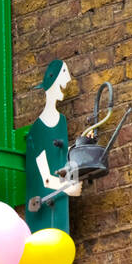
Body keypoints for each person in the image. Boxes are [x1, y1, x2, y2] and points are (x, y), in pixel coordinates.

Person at [25, 59, 82, 233]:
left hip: (59, 219)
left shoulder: (61, 122)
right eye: (64, 74)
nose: (68, 81)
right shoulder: (38, 130)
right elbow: (45, 179)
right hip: (44, 217)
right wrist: (70, 188)